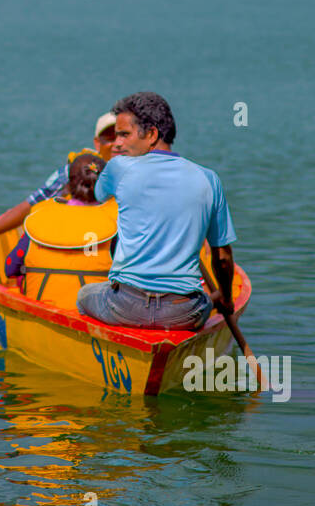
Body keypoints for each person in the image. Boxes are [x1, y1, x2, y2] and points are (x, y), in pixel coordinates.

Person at [77, 92, 236, 330]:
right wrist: (225, 298)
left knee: (84, 295)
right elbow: (223, 259)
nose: (117, 144)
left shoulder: (118, 167)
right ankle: (210, 302)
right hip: (183, 310)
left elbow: (100, 194)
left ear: (151, 134)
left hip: (125, 306)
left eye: (123, 134)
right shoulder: (209, 179)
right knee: (203, 300)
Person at [0, 112, 120, 247]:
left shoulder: (142, 171)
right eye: (109, 138)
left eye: (123, 135)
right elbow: (32, 204)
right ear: (97, 143)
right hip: (83, 242)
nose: (117, 144)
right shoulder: (74, 171)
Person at [5, 152, 108, 285]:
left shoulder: (40, 218)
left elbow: (10, 268)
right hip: (93, 302)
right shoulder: (115, 221)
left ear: (68, 185)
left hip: (43, 297)